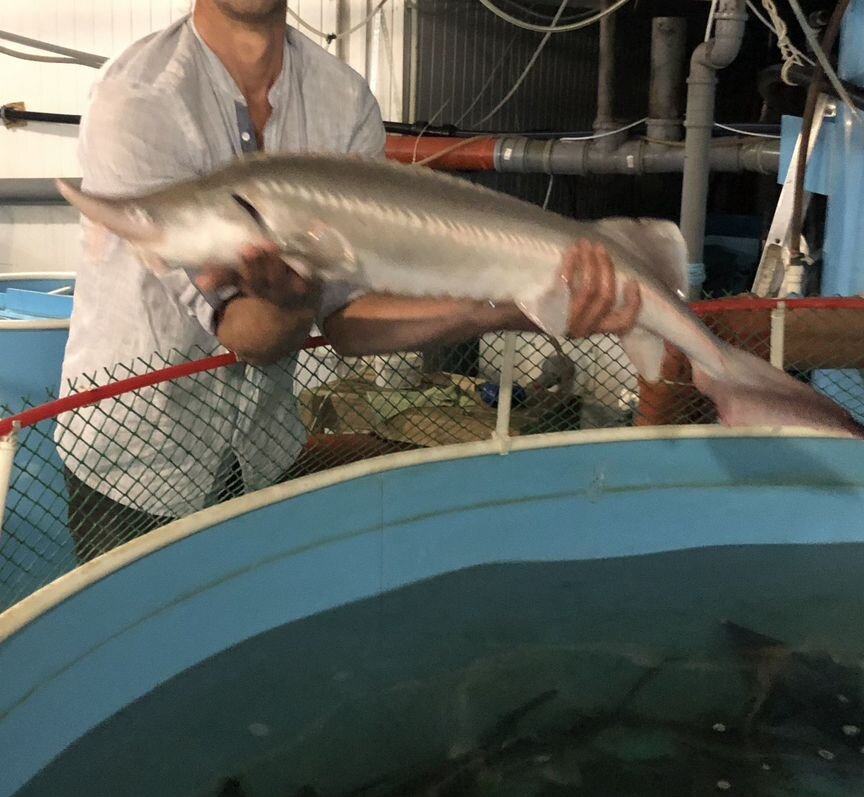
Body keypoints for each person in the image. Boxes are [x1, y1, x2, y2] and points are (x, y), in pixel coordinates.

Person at [56, 0, 641, 563]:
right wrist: (297, 297)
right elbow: (250, 335)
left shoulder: (343, 100)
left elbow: (348, 320)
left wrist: (514, 306)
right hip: (135, 456)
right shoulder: (135, 101)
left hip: (264, 448)